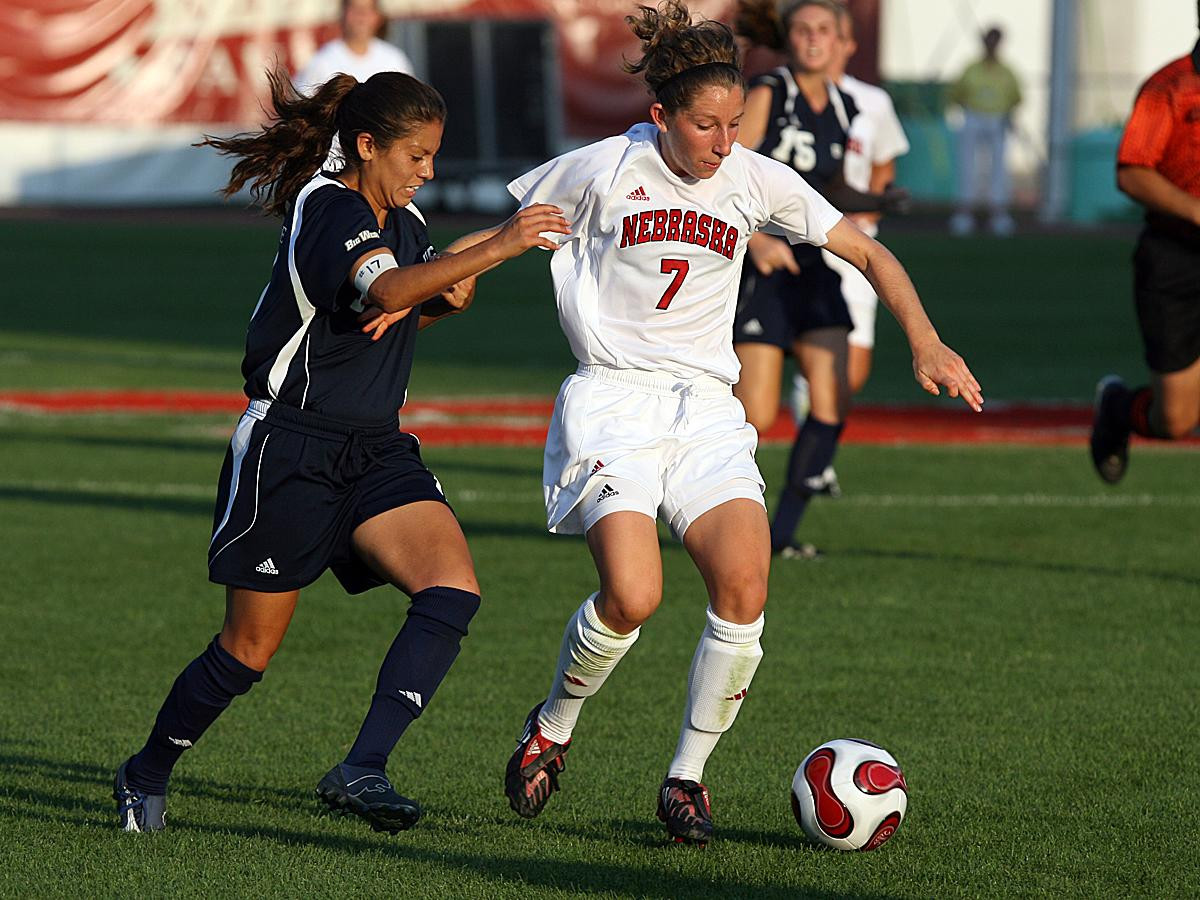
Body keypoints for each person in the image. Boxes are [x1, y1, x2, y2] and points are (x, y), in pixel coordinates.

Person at [501, 0, 981, 846]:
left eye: (733, 125)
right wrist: (441, 282)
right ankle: (553, 725)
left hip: (706, 412)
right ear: (659, 117)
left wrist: (926, 340)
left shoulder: (753, 178)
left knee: (745, 590)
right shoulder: (602, 169)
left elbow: (866, 250)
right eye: (704, 126)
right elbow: (512, 232)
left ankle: (686, 778)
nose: (724, 144)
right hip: (613, 400)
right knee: (634, 595)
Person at [112, 69, 568, 834]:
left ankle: (363, 767)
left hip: (375, 447)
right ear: (366, 146)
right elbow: (387, 295)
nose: (428, 171)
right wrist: (497, 246)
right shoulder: (328, 208)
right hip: (291, 448)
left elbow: (385, 320)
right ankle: (144, 772)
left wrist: (447, 296)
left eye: (433, 156)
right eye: (416, 156)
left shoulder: (406, 224)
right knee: (247, 653)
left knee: (451, 590)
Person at [731, 0, 899, 558]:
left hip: (812, 267)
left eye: (823, 30)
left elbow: (824, 190)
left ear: (840, 41)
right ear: (788, 37)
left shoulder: (848, 104)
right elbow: (729, 169)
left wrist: (875, 200)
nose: (812, 39)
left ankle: (780, 536)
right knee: (754, 415)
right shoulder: (769, 91)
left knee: (830, 403)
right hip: (761, 266)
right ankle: (720, 519)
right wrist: (756, 239)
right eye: (802, 29)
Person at [1090, 11, 1200, 483]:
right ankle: (1118, 410)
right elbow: (1132, 170)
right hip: (1175, 259)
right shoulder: (1169, 87)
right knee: (1175, 421)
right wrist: (1196, 211)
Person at [947, 26, 1022, 237]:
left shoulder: (1008, 72)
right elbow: (957, 93)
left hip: (997, 120)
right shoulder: (970, 69)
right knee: (967, 165)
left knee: (997, 168)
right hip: (973, 117)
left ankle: (998, 213)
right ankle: (964, 212)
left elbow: (1016, 97)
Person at [294, 0, 413, 95]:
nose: (361, 16)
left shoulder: (394, 60)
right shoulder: (322, 62)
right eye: (354, 8)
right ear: (343, 13)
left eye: (368, 9)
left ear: (378, 16)